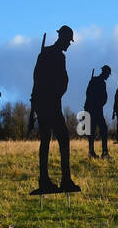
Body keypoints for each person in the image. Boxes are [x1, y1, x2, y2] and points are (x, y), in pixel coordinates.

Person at [30, 26, 81, 194]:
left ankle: (54, 180)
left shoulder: (50, 54)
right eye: (68, 41)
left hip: (48, 102)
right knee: (56, 139)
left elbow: (40, 79)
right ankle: (54, 180)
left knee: (50, 140)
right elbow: (40, 79)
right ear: (63, 38)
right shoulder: (53, 55)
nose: (69, 44)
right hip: (48, 103)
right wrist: (50, 95)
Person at [84, 65, 111, 158]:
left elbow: (87, 93)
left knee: (92, 131)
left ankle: (92, 153)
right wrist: (99, 104)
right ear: (105, 73)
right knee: (103, 130)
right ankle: (104, 153)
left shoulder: (94, 80)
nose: (108, 76)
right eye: (108, 74)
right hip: (96, 110)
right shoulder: (101, 82)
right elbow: (102, 97)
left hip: (91, 109)